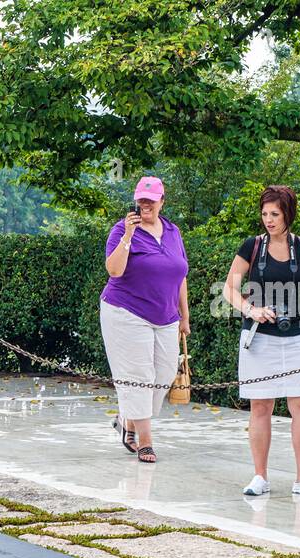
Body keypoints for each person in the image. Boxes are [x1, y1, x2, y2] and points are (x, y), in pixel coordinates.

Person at [221, 185, 300, 497]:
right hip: (258, 339)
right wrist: (251, 309)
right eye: (265, 213)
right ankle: (260, 476)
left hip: (295, 337)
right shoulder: (251, 246)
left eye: (275, 214)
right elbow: (229, 288)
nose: (268, 220)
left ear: (288, 214)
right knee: (261, 406)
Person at [100, 176, 191, 464]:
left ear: (162, 202)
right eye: (141, 200)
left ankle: (128, 420)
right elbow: (114, 270)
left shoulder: (174, 232)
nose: (145, 205)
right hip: (125, 312)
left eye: (151, 200)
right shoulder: (121, 229)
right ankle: (145, 441)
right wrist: (127, 235)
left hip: (165, 316)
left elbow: (180, 275)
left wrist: (184, 317)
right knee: (139, 376)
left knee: (163, 376)